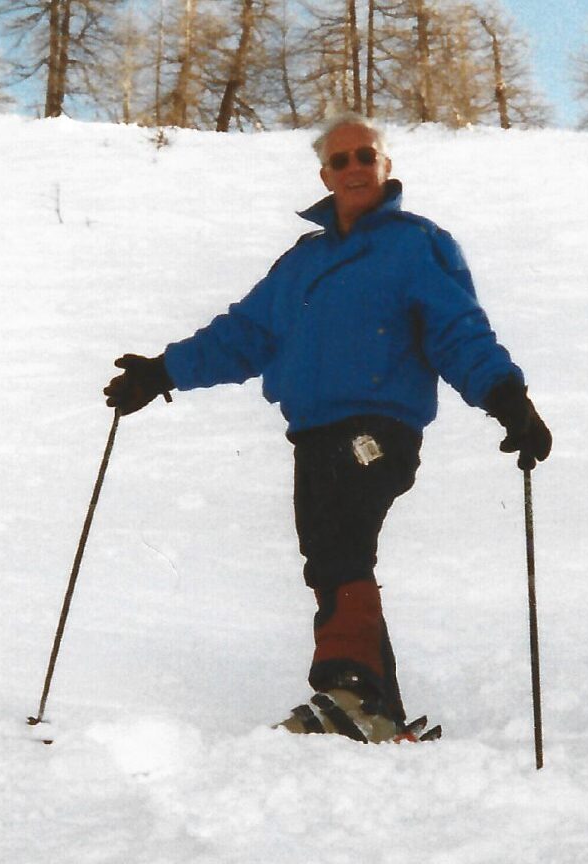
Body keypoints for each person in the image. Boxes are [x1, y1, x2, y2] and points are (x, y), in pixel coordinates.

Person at [103, 113, 551, 743]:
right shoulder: (303, 262)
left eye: (365, 156)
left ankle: (351, 691)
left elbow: (457, 330)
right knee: (330, 558)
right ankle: (373, 708)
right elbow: (247, 333)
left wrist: (507, 397)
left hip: (377, 426)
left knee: (341, 541)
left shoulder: (414, 244)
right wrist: (162, 372)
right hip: (311, 433)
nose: (354, 169)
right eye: (340, 161)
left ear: (385, 167)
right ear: (325, 175)